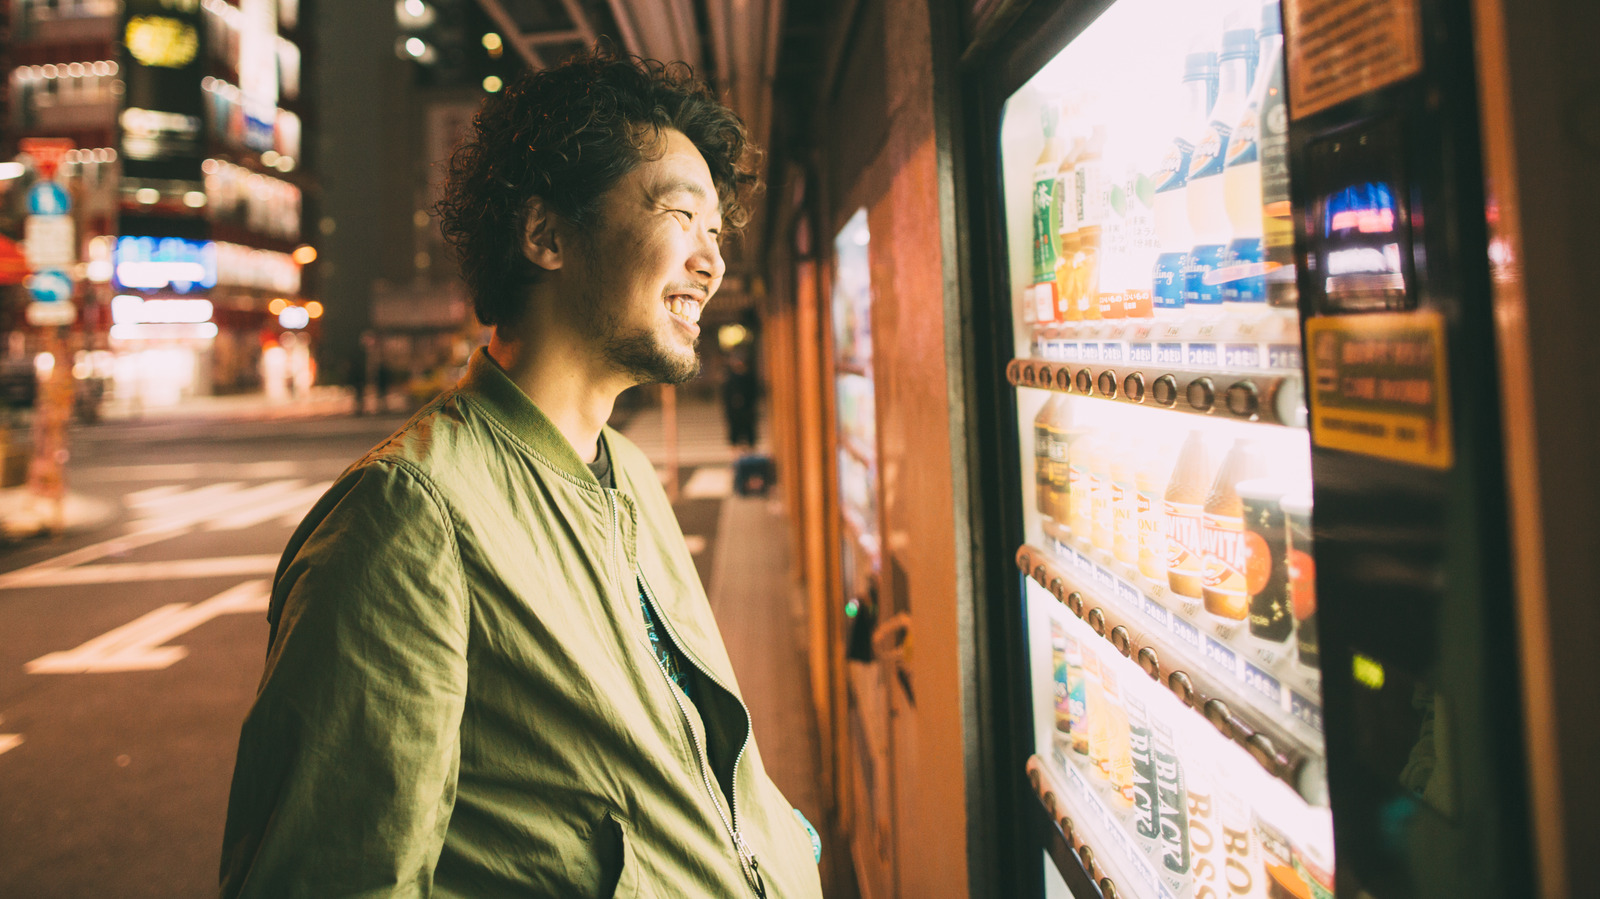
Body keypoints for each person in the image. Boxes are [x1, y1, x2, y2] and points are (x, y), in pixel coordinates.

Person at [219, 48, 824, 899]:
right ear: (545, 234)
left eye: (716, 234)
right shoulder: (408, 515)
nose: (711, 263)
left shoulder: (631, 478)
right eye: (682, 218)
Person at [722, 353, 761, 447]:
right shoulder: (730, 379)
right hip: (734, 411)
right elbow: (726, 395)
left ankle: (749, 450)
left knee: (749, 431)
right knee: (735, 431)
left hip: (747, 409)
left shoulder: (749, 378)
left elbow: (754, 393)